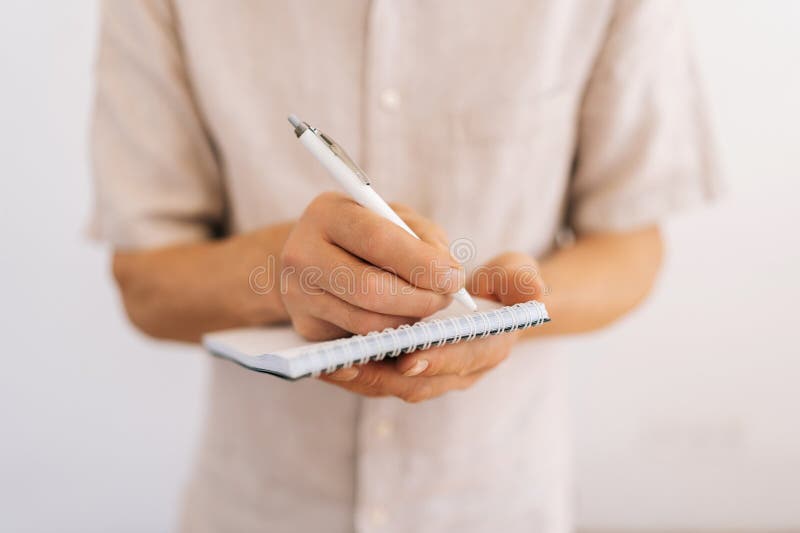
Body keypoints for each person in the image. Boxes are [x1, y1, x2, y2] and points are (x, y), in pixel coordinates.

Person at [91, 1, 718, 531]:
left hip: (499, 500)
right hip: (260, 503)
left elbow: (632, 244)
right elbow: (146, 286)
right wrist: (281, 271)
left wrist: (515, 309)